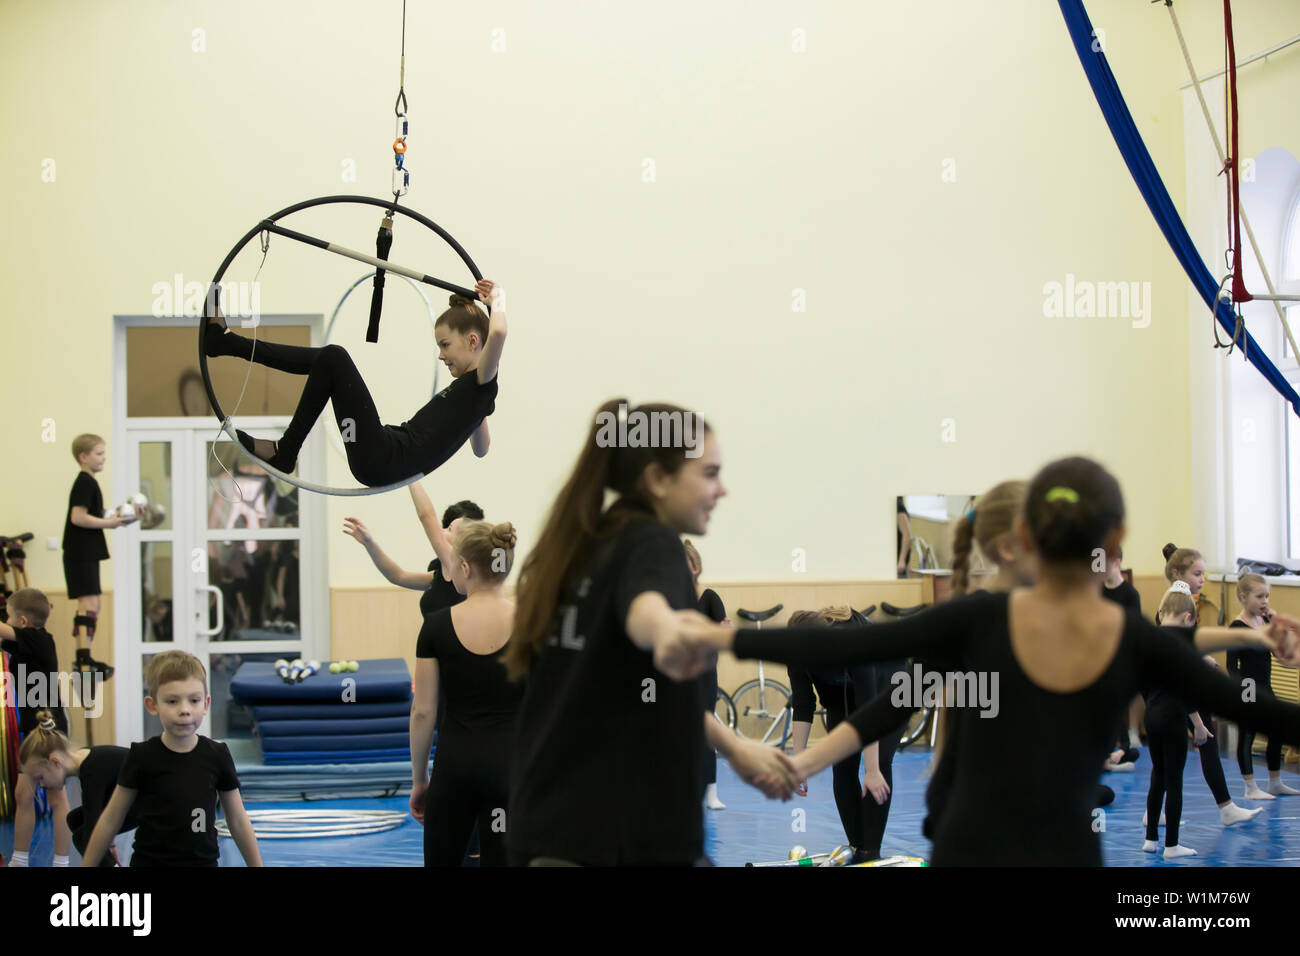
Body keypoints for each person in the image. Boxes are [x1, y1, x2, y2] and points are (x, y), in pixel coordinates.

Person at [680, 456, 1300, 865]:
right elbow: (875, 682)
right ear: (1108, 545)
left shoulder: (996, 625)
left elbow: (853, 659)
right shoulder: (1107, 634)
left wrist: (720, 642)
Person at [503, 399, 799, 866]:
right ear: (659, 479)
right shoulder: (652, 544)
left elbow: (636, 690)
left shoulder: (583, 543)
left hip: (550, 829)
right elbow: (646, 609)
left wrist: (735, 747)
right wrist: (666, 629)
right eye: (709, 473)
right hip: (615, 837)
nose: (722, 490)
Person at [203, 280, 505, 486]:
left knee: (334, 357)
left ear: (473, 340)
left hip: (383, 456)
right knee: (327, 364)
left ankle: (285, 451)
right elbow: (482, 449)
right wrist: (478, 413)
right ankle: (226, 345)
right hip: (379, 455)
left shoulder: (481, 384)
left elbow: (499, 333)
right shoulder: (476, 397)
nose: (441, 355)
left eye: (445, 344)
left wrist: (498, 299)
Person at [80, 651, 262, 867]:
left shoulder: (217, 755)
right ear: (152, 705)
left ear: (206, 703)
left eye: (194, 700)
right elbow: (111, 820)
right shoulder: (142, 756)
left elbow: (238, 821)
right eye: (172, 701)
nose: (184, 710)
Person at [409, 521, 522, 866]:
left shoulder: (437, 626)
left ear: (466, 568)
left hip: (455, 769)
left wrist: (419, 780)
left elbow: (423, 712)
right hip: (511, 768)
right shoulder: (532, 620)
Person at [785, 607, 902, 863]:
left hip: (889, 688)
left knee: (879, 763)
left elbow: (870, 709)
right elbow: (803, 705)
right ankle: (857, 844)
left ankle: (870, 851)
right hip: (841, 694)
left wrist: (871, 770)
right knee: (842, 767)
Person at [1161, 544, 1261, 826]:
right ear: (1178, 572)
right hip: (1180, 685)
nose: (1202, 579)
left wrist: (1202, 657)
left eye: (1204, 573)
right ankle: (1224, 807)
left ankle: (1157, 811)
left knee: (1184, 749)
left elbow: (1181, 640)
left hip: (1180, 682)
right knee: (1199, 743)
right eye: (1197, 573)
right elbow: (1175, 643)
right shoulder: (1179, 599)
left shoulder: (1179, 596)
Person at [0, 588, 72, 866]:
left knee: (56, 796)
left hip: (49, 728)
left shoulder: (39, 641)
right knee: (22, 793)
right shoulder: (25, 643)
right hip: (33, 728)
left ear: (22, 622)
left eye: (9, 616)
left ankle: (61, 860)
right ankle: (19, 858)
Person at [62, 433, 142, 678]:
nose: (103, 458)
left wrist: (119, 517)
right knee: (88, 604)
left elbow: (94, 513)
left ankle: (86, 656)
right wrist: (111, 524)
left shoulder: (90, 482)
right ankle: (82, 661)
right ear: (83, 457)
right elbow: (78, 517)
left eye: (104, 453)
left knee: (93, 603)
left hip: (87, 551)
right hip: (80, 551)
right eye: (98, 454)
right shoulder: (84, 482)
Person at [17, 711, 139, 866]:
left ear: (55, 762)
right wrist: (110, 845)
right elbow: (104, 808)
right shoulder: (85, 760)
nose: (42, 785)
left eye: (40, 777)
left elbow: (95, 827)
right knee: (74, 820)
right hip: (135, 798)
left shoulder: (91, 772)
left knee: (88, 837)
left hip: (148, 800)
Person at [1228, 573, 1300, 799]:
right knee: (1247, 734)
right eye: (1259, 597)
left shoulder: (1266, 622)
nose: (1265, 601)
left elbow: (1284, 652)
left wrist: (1276, 622)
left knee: (1277, 731)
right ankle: (1250, 787)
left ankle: (1274, 781)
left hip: (1266, 685)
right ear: (1243, 597)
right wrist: (1245, 692)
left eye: (1267, 596)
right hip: (1248, 685)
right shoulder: (1237, 626)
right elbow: (1232, 666)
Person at [1142, 584, 1201, 858]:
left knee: (1158, 775)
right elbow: (1187, 692)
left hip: (1152, 715)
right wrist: (1199, 726)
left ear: (1161, 612)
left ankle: (1150, 839)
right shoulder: (1180, 645)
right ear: (1188, 618)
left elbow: (1141, 683)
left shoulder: (1149, 640)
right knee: (1174, 780)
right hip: (1173, 716)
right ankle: (1172, 845)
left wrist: (1152, 704)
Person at [683, 539, 728, 810]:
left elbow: (721, 635)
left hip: (704, 673)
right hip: (677, 673)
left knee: (705, 730)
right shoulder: (670, 598)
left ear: (696, 567)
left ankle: (711, 792)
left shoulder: (709, 598)